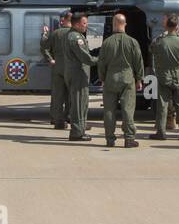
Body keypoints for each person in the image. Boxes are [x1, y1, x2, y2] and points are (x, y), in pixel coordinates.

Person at [98, 13, 145, 148]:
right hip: (127, 79)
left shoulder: (106, 43)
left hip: (110, 79)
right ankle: (129, 138)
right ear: (125, 24)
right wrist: (139, 79)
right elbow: (138, 62)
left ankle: (110, 139)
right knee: (128, 109)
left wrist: (102, 78)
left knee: (109, 110)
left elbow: (101, 63)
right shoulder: (132, 42)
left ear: (113, 24)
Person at [149, 14, 179, 140]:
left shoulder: (160, 41)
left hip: (164, 76)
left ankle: (161, 132)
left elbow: (152, 49)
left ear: (166, 26)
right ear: (177, 26)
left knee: (163, 105)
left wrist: (162, 36)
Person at [63, 13, 95, 142]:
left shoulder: (75, 35)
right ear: (76, 24)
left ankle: (80, 129)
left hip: (77, 74)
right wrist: (99, 60)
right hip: (78, 74)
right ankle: (76, 132)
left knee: (81, 103)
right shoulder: (75, 37)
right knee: (78, 103)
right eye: (84, 23)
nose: (86, 26)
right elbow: (85, 57)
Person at [41, 11, 72, 129]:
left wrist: (50, 59)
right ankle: (69, 116)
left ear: (63, 20)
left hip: (57, 67)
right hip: (71, 68)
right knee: (71, 94)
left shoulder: (55, 33)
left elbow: (44, 47)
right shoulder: (76, 34)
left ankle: (56, 118)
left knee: (57, 95)